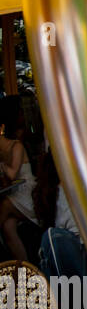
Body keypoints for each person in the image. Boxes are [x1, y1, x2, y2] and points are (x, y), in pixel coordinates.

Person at [0, 96, 35, 260]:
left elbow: (13, 174)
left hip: (28, 195)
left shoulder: (17, 145)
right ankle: (25, 271)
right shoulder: (9, 144)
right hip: (16, 194)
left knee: (4, 205)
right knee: (8, 227)